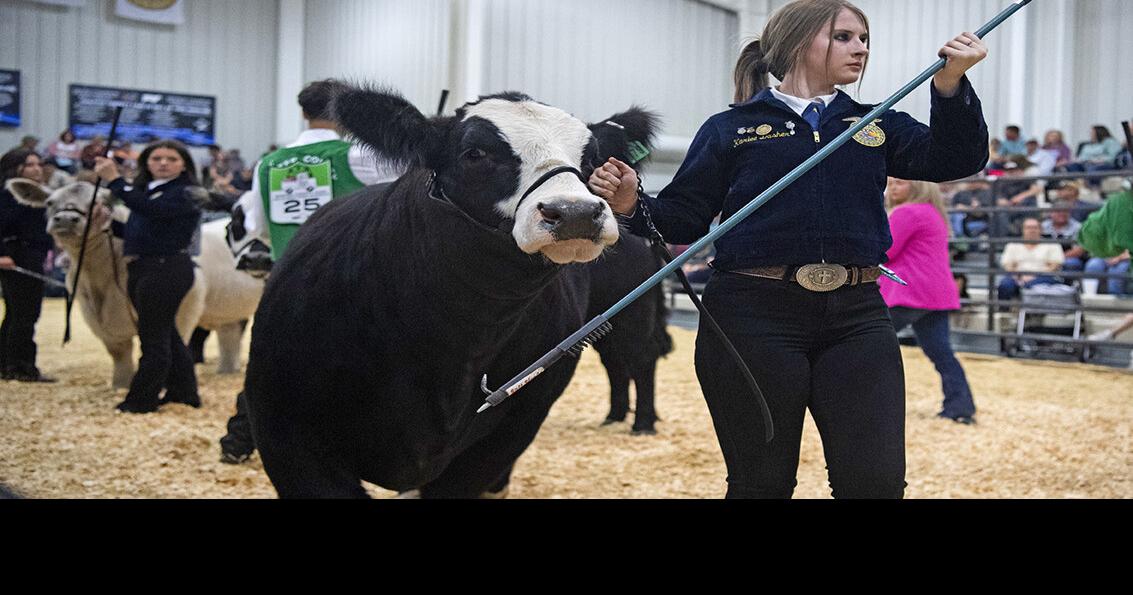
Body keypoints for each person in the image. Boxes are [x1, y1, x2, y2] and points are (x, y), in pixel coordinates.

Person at [588, 0, 989, 498]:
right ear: (798, 43)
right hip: (752, 316)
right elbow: (683, 217)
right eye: (844, 36)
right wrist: (631, 202)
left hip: (857, 316)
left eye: (864, 39)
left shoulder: (877, 122)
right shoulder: (730, 128)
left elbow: (957, 158)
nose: (860, 48)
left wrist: (949, 85)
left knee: (875, 483)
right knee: (762, 484)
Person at [219, 78, 401, 463]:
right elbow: (401, 201)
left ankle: (238, 442)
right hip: (351, 276)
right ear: (346, 112)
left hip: (288, 274)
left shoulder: (269, 163)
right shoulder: (358, 157)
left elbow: (256, 226)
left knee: (273, 362)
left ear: (303, 113)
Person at [93, 140, 203, 413]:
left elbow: (154, 212)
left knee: (152, 336)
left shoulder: (186, 192)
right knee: (166, 333)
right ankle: (184, 392)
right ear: (147, 163)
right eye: (156, 158)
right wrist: (106, 222)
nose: (163, 163)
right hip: (144, 267)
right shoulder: (146, 191)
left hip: (167, 268)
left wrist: (116, 182)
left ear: (183, 165)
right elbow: (141, 230)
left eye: (171, 159)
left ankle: (141, 399)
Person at [881, 177, 976, 424]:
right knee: (941, 352)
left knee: (869, 343)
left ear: (918, 186)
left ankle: (868, 404)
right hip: (935, 292)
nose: (892, 187)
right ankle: (960, 407)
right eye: (890, 182)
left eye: (899, 182)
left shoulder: (907, 213)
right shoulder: (932, 212)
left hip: (908, 290)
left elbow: (885, 251)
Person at [0, 149, 56, 383]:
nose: (37, 169)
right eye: (30, 164)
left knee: (17, 313)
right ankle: (21, 366)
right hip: (17, 255)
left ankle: (7, 363)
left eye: (38, 164)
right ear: (16, 168)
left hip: (33, 254)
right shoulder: (8, 194)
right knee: (24, 314)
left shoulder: (40, 193)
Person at [997, 218, 1065, 302]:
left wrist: (1034, 276)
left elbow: (1054, 265)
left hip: (1044, 276)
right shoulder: (1012, 245)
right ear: (1023, 230)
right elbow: (1007, 265)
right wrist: (1019, 276)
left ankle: (1029, 312)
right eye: (1028, 227)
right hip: (1017, 276)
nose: (1032, 230)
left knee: (1030, 286)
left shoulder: (1052, 245)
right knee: (1005, 285)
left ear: (1041, 230)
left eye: (1035, 228)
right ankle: (1004, 311)